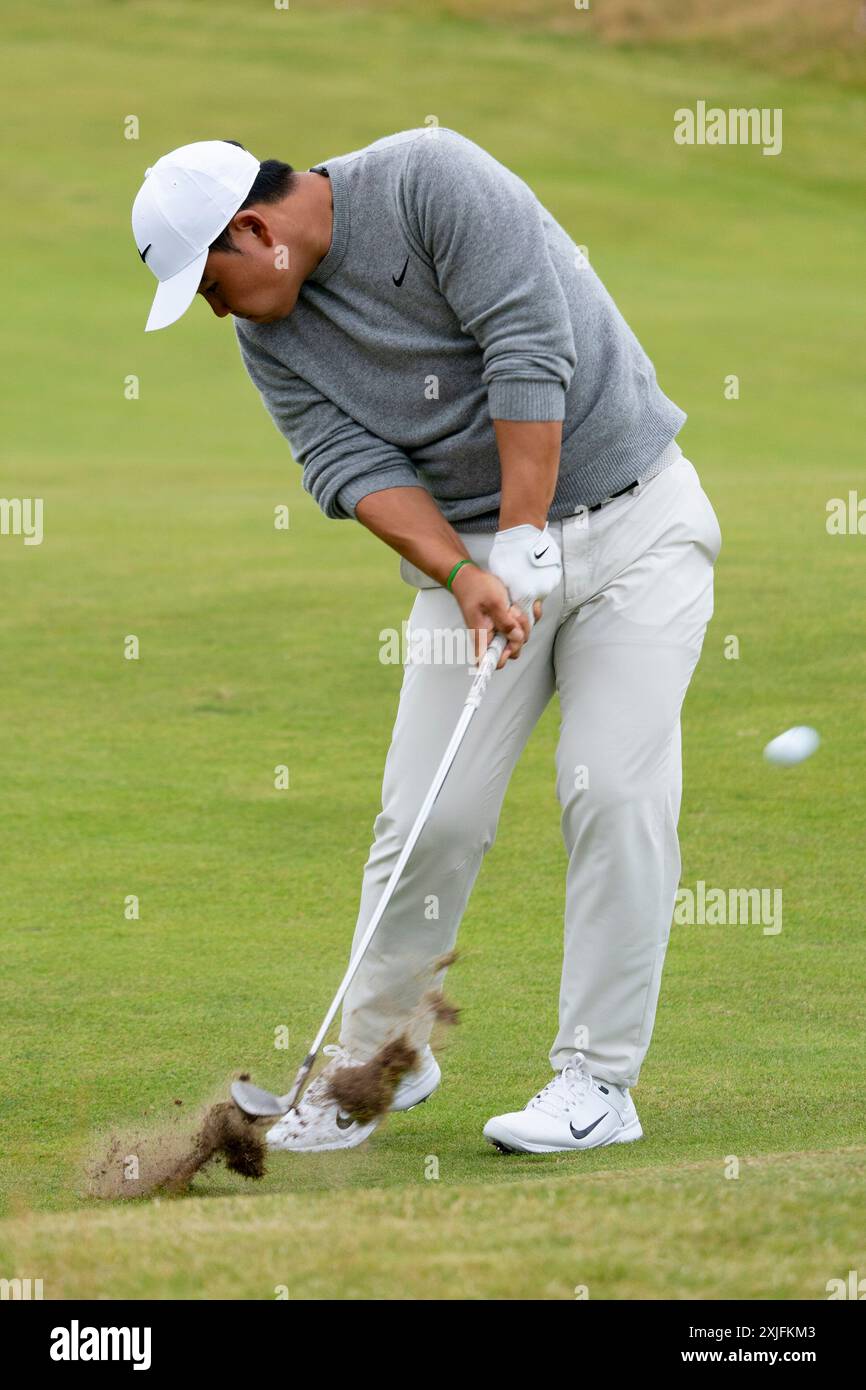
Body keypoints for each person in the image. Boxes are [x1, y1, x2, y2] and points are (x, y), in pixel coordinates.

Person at [131, 130, 721, 1155]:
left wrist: (527, 531)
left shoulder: (432, 177)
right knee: (428, 819)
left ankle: (594, 1081)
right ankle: (375, 1066)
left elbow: (527, 343)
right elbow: (346, 463)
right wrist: (464, 573)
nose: (214, 313)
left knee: (610, 788)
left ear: (255, 229)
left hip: (637, 527)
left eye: (210, 285)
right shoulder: (269, 338)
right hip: (481, 553)